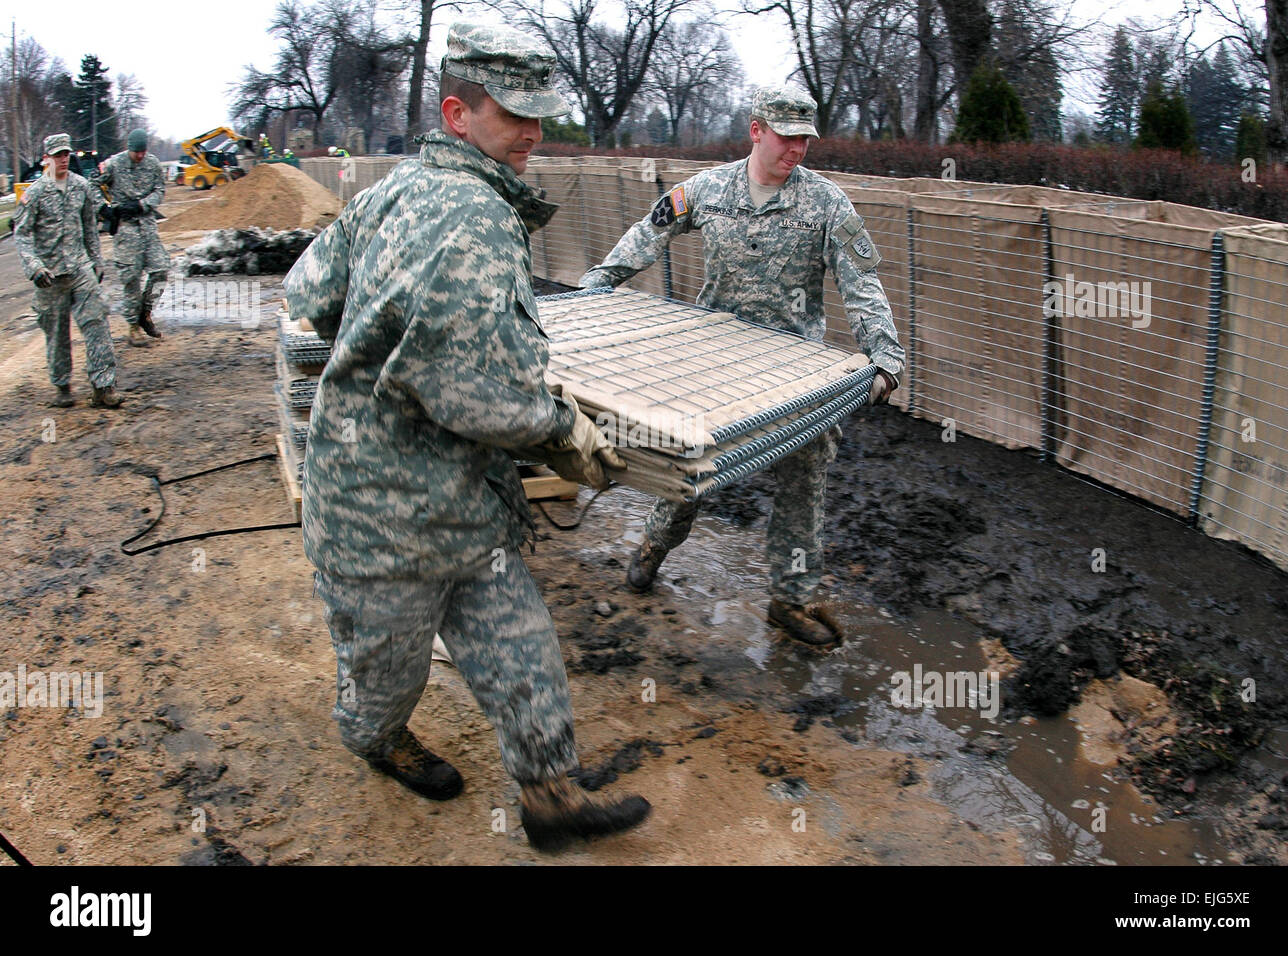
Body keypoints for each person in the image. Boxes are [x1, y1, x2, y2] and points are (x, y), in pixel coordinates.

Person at [283, 21, 648, 852]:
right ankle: (377, 739)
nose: (532, 133)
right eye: (512, 115)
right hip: (383, 526)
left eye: (539, 115)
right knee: (385, 682)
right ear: (456, 114)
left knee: (520, 650)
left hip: (464, 510)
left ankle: (551, 796)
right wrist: (569, 437)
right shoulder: (472, 216)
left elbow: (310, 285)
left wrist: (372, 334)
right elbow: (473, 393)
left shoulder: (397, 191)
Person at [580, 85, 905, 649]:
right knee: (689, 471)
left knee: (805, 482)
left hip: (794, 371)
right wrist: (601, 282)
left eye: (806, 139)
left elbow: (862, 282)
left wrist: (884, 356)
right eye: (787, 137)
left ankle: (791, 597)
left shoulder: (825, 204)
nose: (798, 149)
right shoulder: (708, 189)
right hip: (714, 363)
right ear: (757, 131)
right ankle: (655, 546)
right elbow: (649, 231)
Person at [14, 133, 121, 408]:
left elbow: (90, 229)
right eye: (58, 155)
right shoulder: (35, 194)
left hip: (80, 269)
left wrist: (97, 262)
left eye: (66, 154)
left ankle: (103, 386)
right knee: (57, 333)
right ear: (46, 159)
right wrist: (34, 267)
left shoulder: (81, 187)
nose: (63, 159)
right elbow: (22, 235)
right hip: (50, 277)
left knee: (97, 323)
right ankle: (62, 386)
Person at [100, 128, 167, 348]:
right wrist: (104, 209)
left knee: (161, 269)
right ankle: (133, 327)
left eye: (143, 151)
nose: (140, 155)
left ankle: (144, 314)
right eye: (136, 151)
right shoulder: (113, 164)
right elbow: (91, 185)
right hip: (125, 228)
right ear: (129, 148)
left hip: (147, 224)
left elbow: (159, 190)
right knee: (131, 278)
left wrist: (142, 204)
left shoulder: (153, 164)